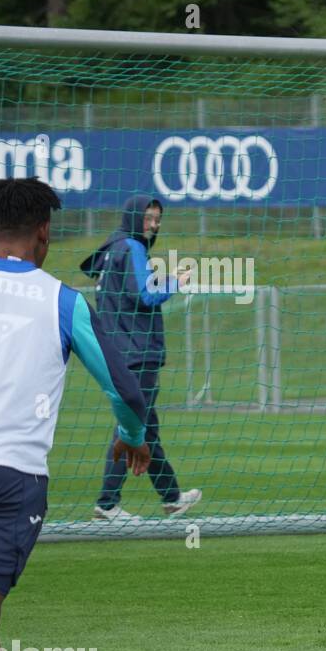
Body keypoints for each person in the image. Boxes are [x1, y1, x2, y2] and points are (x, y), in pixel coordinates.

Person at [0, 177, 152, 651]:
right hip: (14, 481)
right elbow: (129, 391)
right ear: (43, 234)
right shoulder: (62, 300)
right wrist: (131, 439)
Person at [84, 194, 200, 521]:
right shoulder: (132, 248)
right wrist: (175, 280)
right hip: (138, 353)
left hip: (119, 352)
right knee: (132, 426)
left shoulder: (110, 250)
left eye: (157, 219)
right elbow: (146, 295)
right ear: (134, 216)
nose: (153, 224)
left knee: (146, 428)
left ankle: (172, 497)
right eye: (148, 217)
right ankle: (107, 504)